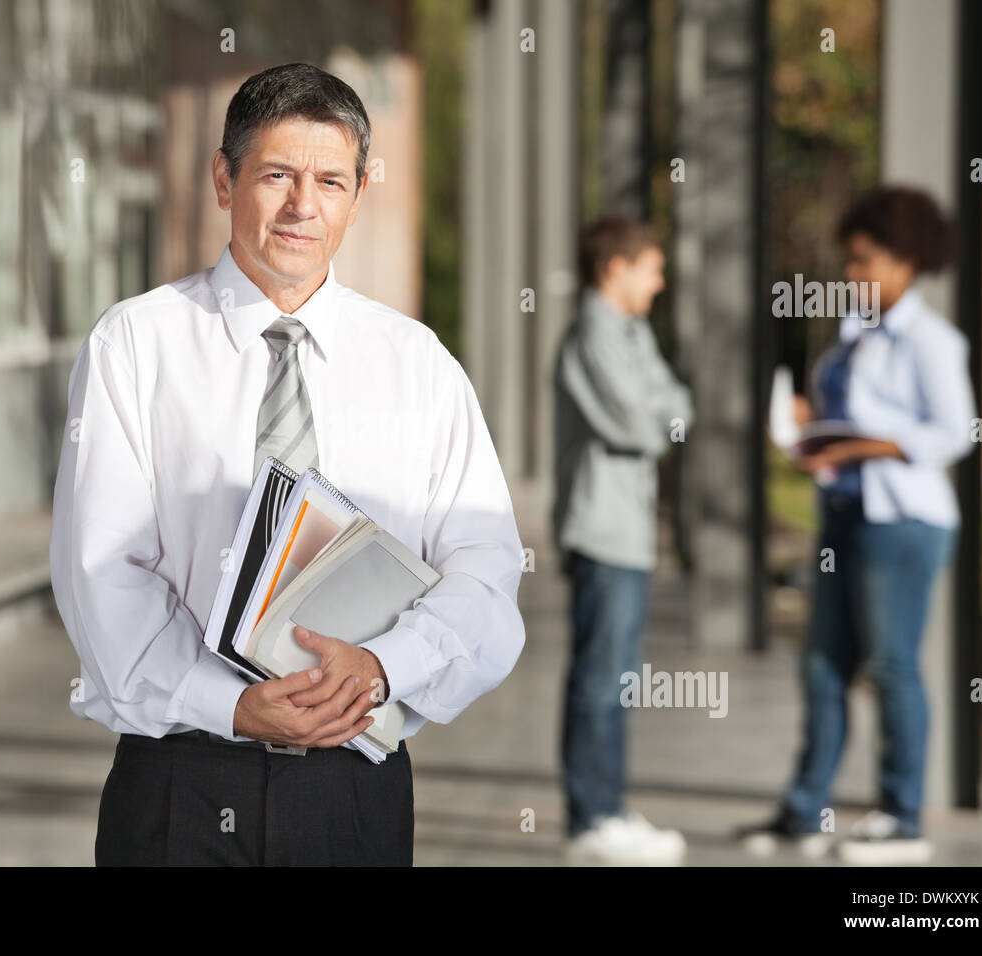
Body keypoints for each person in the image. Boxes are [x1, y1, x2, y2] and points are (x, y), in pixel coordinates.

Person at [48, 62, 525, 866]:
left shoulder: (419, 365)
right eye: (278, 174)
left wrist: (381, 668)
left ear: (356, 196)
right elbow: (101, 569)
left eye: (331, 181)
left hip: (353, 794)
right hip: (182, 790)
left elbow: (485, 566)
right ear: (223, 180)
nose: (305, 205)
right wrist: (234, 705)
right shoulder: (136, 345)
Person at [737, 186, 975, 864]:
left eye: (865, 260)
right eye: (850, 261)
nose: (853, 275)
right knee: (821, 665)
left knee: (893, 665)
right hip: (844, 513)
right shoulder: (856, 333)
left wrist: (862, 445)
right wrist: (809, 430)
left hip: (902, 521)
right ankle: (804, 811)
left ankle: (904, 820)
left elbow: (953, 431)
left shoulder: (932, 341)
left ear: (906, 261)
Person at [552, 216, 694, 864]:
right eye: (652, 268)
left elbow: (675, 404)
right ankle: (592, 818)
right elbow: (640, 425)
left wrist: (661, 413)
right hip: (602, 532)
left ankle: (608, 805)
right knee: (600, 679)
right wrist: (661, 415)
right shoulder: (593, 335)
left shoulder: (630, 334)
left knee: (618, 678)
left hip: (628, 534)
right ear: (617, 268)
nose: (660, 283)